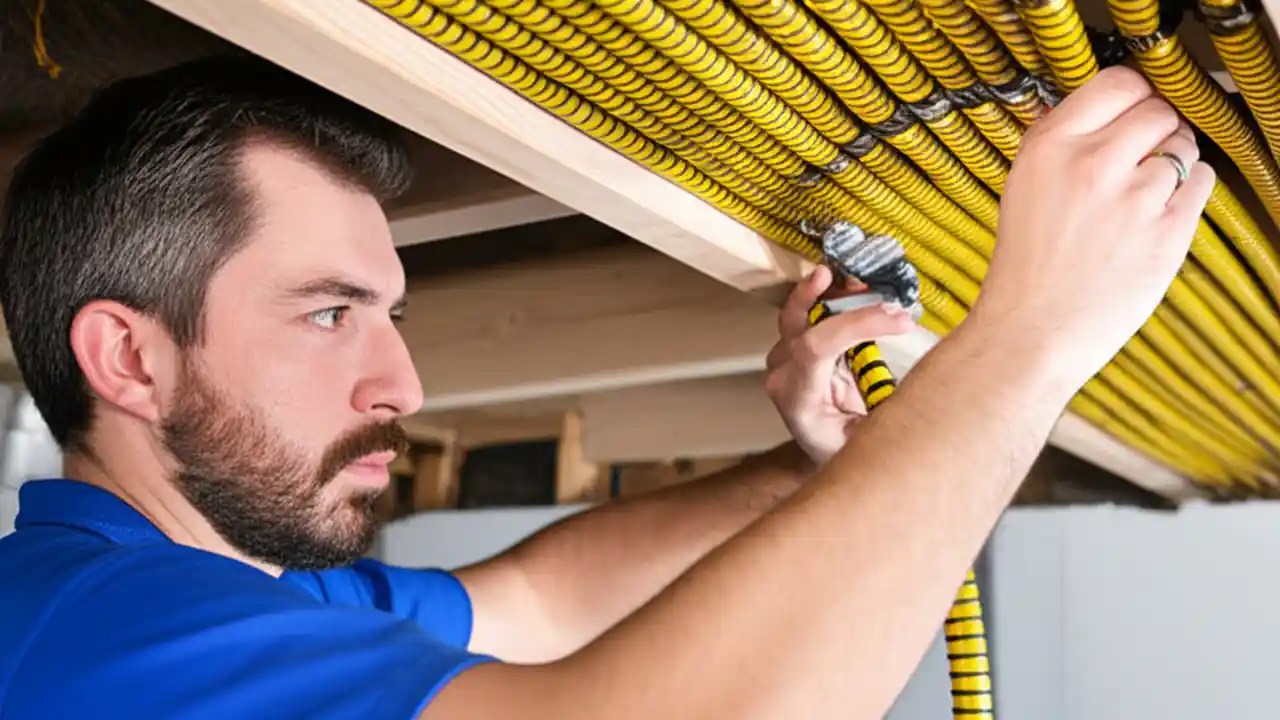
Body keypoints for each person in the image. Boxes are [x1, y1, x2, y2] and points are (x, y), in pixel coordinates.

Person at [0, 54, 1211, 719]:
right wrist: (1027, 344)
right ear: (131, 360)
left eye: (391, 314)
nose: (403, 382)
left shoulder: (240, 600)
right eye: (329, 313)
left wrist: (807, 468)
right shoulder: (89, 639)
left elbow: (531, 600)